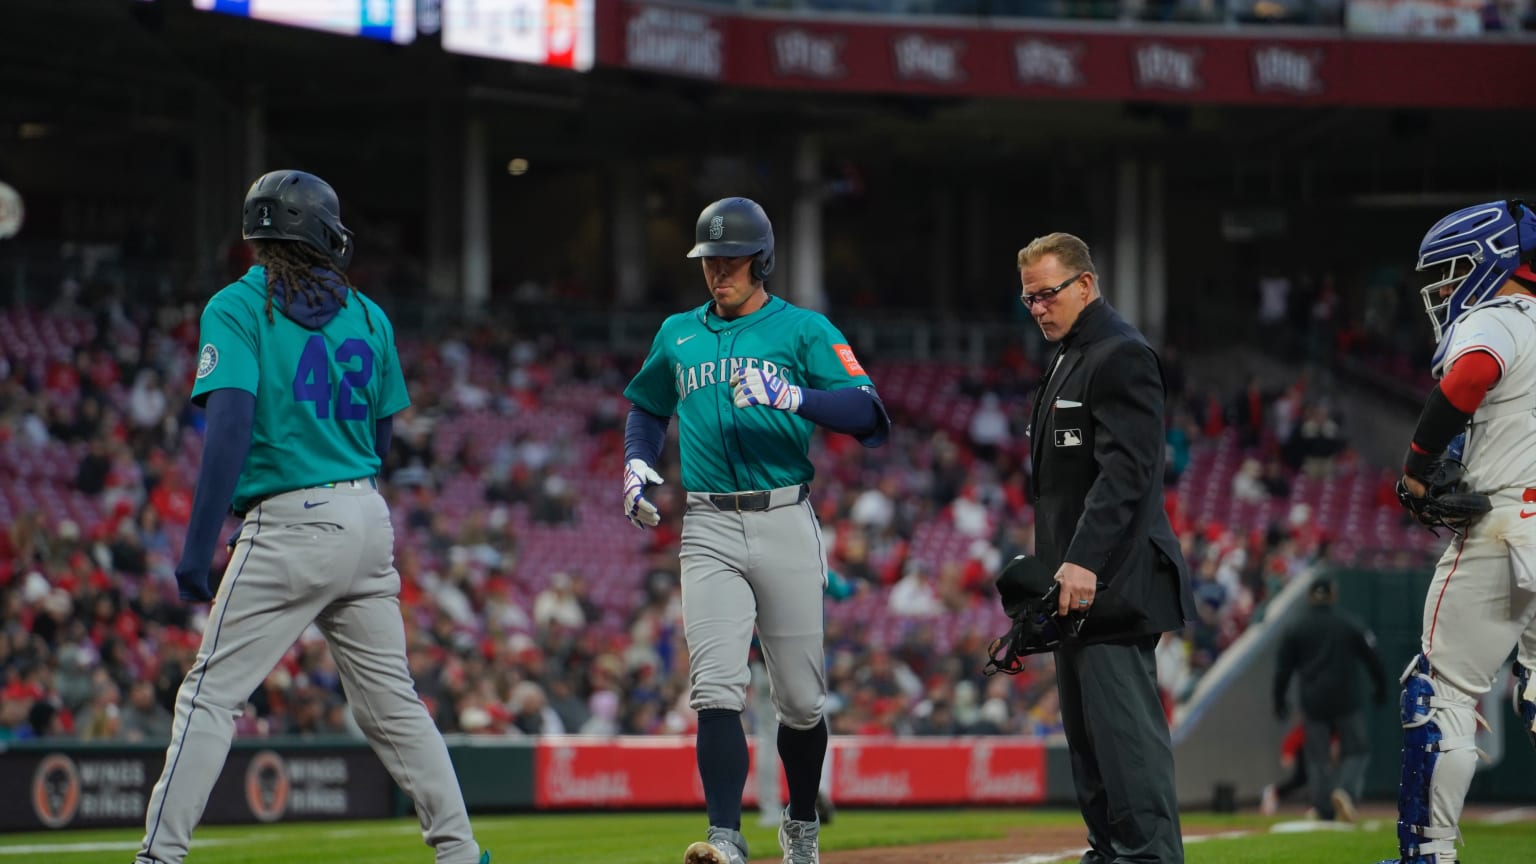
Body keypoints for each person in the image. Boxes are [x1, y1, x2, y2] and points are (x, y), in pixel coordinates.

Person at [135, 171, 489, 864]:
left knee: (209, 698)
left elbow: (230, 424)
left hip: (290, 522)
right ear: (325, 234)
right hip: (365, 514)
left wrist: (198, 544)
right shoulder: (368, 315)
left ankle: (158, 857)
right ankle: (460, 851)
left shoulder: (236, 306)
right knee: (394, 705)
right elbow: (384, 440)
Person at [622, 197, 891, 864]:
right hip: (709, 521)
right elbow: (647, 406)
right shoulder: (678, 334)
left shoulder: (802, 329)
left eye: (733, 259)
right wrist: (634, 460)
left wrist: (795, 395)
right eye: (711, 260)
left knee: (801, 700)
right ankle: (724, 838)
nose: (719, 273)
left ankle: (801, 826)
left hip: (784, 516)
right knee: (715, 686)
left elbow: (870, 415)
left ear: (761, 259)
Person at [1019, 232, 1196, 864]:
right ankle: (1110, 851)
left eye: (1047, 293)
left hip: (1114, 583)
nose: (1037, 307)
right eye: (1029, 299)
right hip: (1075, 586)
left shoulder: (1120, 354)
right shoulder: (1071, 356)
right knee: (1090, 742)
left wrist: (1084, 560)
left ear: (1085, 284)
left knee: (1125, 739)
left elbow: (1127, 472)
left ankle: (1150, 857)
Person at [1376, 199, 1536, 864]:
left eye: (1448, 275)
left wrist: (1417, 467)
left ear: (1485, 260)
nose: (1441, 291)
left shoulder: (1500, 317)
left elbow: (1471, 374)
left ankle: (1429, 853)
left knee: (1438, 688)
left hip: (1507, 525)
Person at [1272, 575, 1387, 823]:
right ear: (1333, 595)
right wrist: (1381, 689)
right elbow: (1373, 658)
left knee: (1318, 756)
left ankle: (1324, 809)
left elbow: (1283, 669)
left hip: (1313, 701)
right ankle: (1344, 792)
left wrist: (1279, 701)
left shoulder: (1296, 627)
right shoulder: (1349, 624)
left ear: (1309, 596)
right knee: (1357, 750)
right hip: (1346, 699)